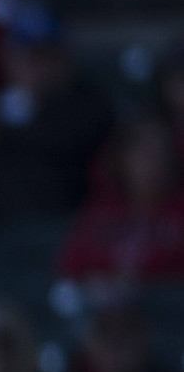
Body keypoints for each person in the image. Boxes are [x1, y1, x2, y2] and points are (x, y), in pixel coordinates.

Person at [0, 5, 114, 217]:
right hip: (5, 224)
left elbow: (60, 142)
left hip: (69, 221)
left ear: (65, 59)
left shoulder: (90, 104)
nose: (38, 67)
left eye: (47, 56)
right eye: (28, 57)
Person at [57, 116, 184, 284]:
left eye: (160, 153)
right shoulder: (101, 211)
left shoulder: (179, 212)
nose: (153, 163)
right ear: (123, 158)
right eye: (143, 154)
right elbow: (72, 267)